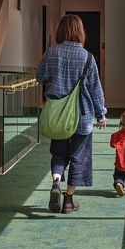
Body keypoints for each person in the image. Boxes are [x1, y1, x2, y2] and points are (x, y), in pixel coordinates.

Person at [36, 15, 106, 214]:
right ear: (80, 32)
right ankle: (68, 200)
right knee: (78, 157)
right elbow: (95, 89)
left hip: (57, 117)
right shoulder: (87, 57)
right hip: (82, 118)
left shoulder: (51, 53)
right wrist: (101, 114)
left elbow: (39, 77)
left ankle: (56, 182)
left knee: (58, 153)